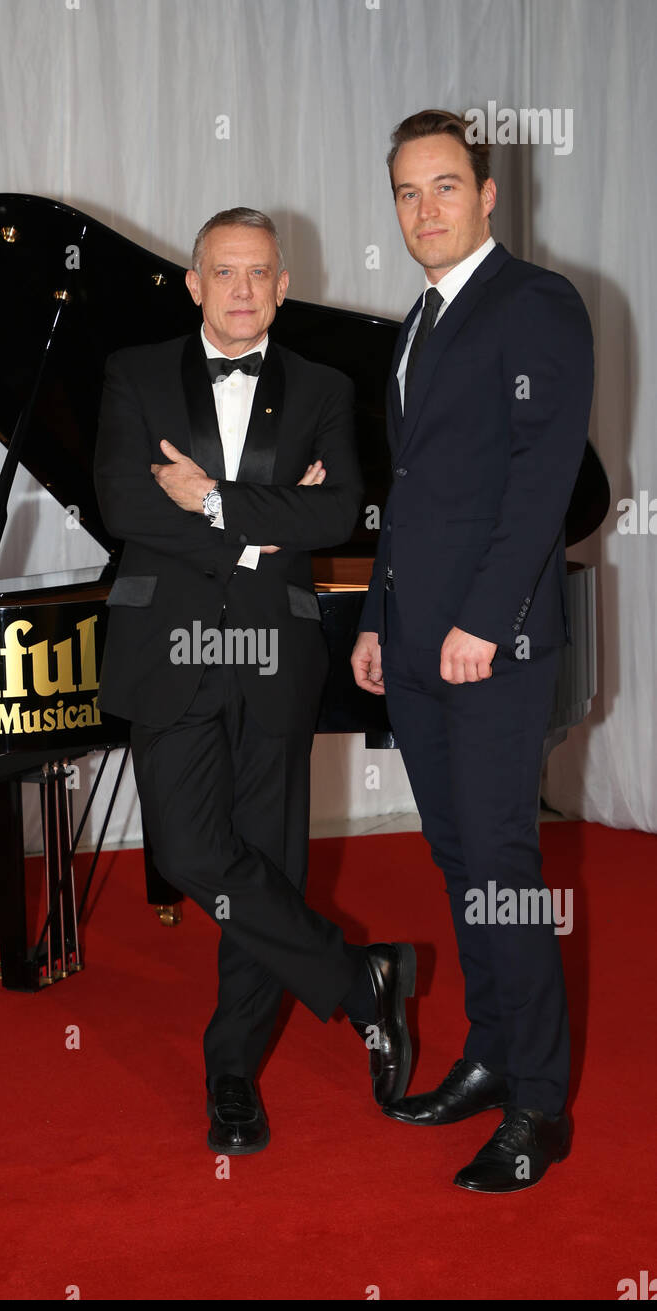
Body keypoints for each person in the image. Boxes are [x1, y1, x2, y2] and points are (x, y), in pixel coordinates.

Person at [94, 207, 416, 1156]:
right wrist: (264, 521)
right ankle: (361, 981)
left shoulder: (321, 384)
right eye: (222, 272)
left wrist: (215, 500)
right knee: (195, 853)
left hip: (276, 650)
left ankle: (231, 1072)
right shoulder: (136, 374)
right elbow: (120, 501)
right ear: (193, 283)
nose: (241, 289)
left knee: (269, 862)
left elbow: (336, 514)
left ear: (283, 285)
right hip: (168, 647)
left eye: (259, 273)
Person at [351, 111, 594, 1193]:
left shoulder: (534, 303)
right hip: (413, 641)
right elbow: (404, 498)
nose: (424, 209)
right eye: (407, 193)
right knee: (456, 864)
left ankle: (538, 1105)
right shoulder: (414, 320)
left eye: (444, 186)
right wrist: (373, 619)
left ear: (487, 194)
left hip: (487, 647)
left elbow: (542, 484)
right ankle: (489, 1051)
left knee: (502, 871)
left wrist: (479, 623)